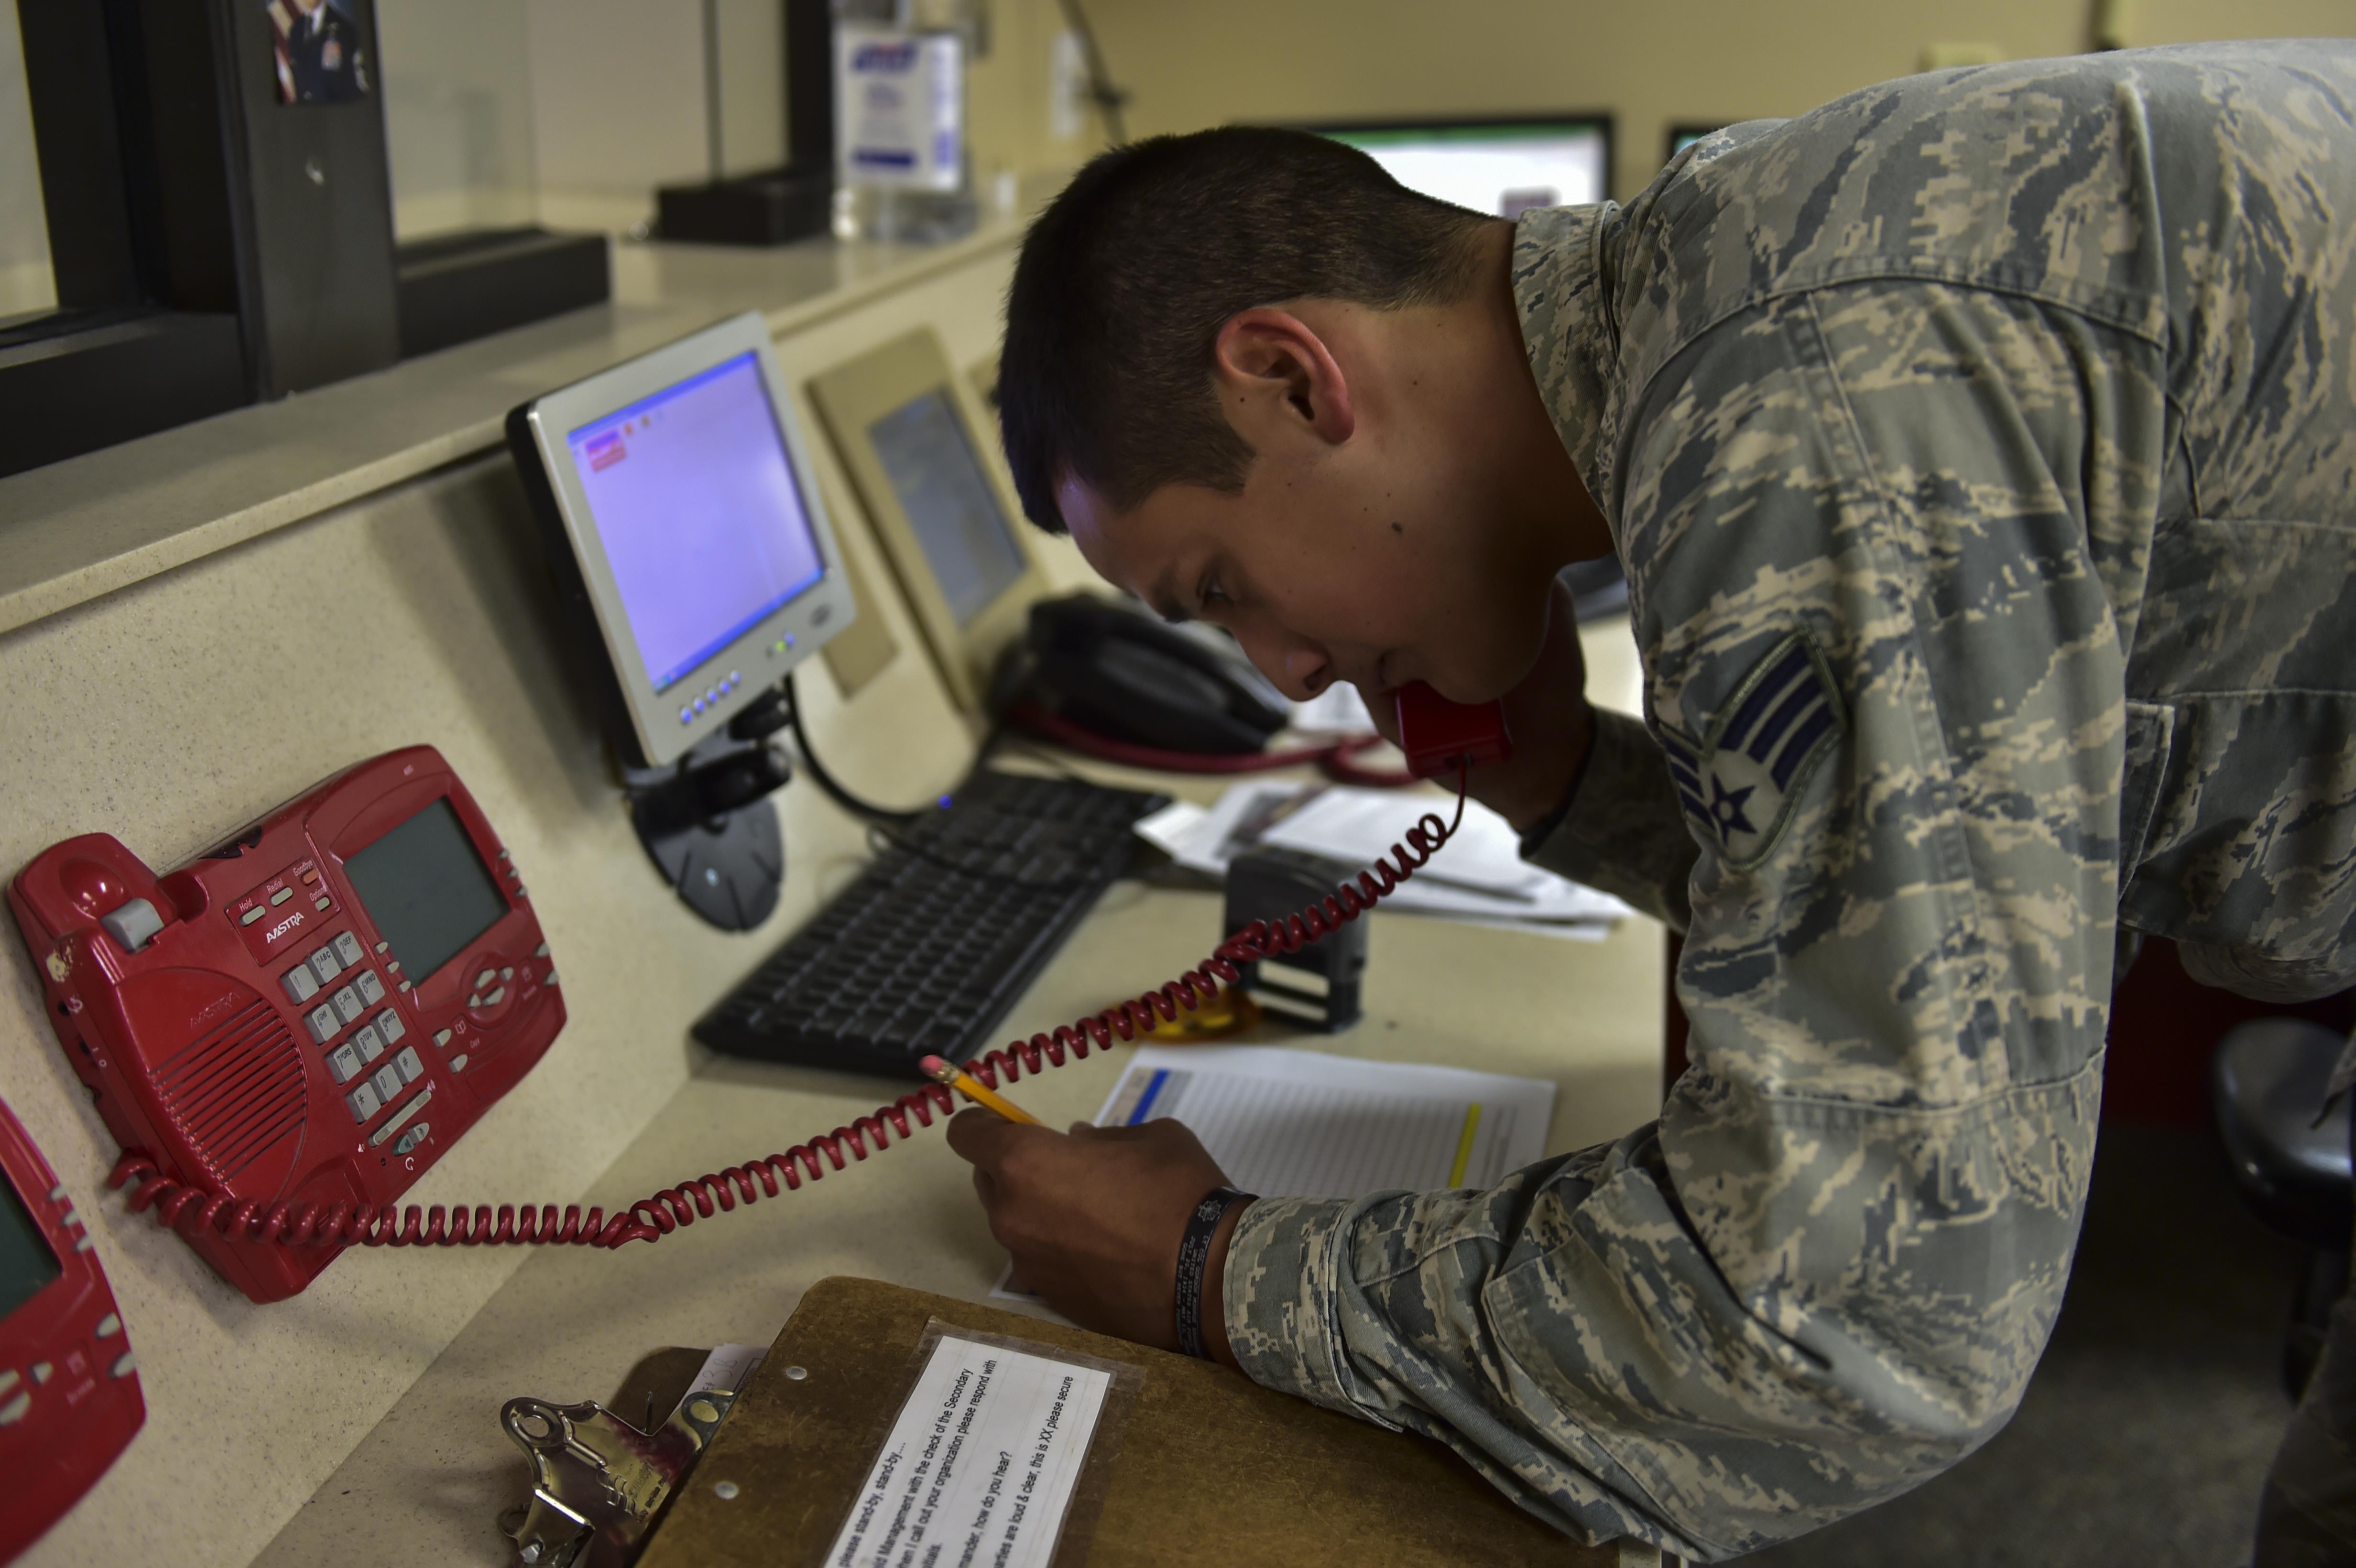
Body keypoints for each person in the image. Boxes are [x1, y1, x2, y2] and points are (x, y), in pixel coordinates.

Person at [946, 40, 2356, 1562]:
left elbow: (1852, 1315)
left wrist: (1211, 1267)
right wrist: (1562, 779)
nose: (1284, 674)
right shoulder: (1723, 279)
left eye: (1221, 589)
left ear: (1294, 377)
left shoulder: (1792, 414)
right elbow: (1922, 886)